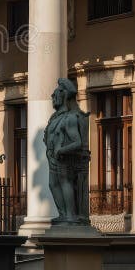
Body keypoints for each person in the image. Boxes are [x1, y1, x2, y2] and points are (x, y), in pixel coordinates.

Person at [44, 78, 91, 225]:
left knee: (65, 183)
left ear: (64, 94)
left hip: (64, 159)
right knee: (53, 185)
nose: (52, 96)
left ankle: (70, 216)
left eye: (55, 93)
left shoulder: (70, 118)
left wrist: (61, 149)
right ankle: (63, 214)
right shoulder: (56, 118)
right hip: (54, 160)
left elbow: (77, 143)